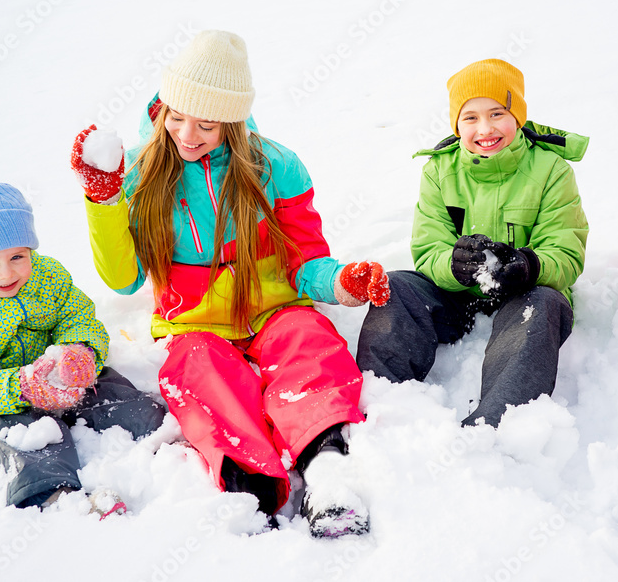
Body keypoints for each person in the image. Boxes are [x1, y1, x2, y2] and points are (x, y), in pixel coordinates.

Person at [71, 30, 389, 538]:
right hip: (195, 326)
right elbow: (124, 278)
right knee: (201, 376)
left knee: (307, 343)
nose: (187, 134)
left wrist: (342, 282)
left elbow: (306, 261)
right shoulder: (140, 171)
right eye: (176, 117)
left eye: (206, 123)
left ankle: (325, 472)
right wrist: (103, 203)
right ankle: (251, 485)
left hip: (274, 309)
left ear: (234, 122)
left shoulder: (276, 167)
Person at [356, 59, 589, 427]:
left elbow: (565, 249)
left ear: (518, 117)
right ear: (456, 124)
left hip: (523, 295)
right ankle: (376, 405)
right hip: (456, 295)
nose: (485, 129)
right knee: (397, 287)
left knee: (544, 305)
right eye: (471, 118)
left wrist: (530, 266)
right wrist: (453, 264)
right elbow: (428, 246)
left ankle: (495, 424)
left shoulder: (552, 170)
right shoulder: (439, 170)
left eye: (497, 113)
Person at [0, 183, 166, 515]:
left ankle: (165, 437)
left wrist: (80, 350)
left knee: (115, 394)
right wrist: (21, 387)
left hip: (53, 377)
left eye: (18, 256)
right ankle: (58, 496)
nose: (7, 273)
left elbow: (76, 314)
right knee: (23, 440)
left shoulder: (46, 276)